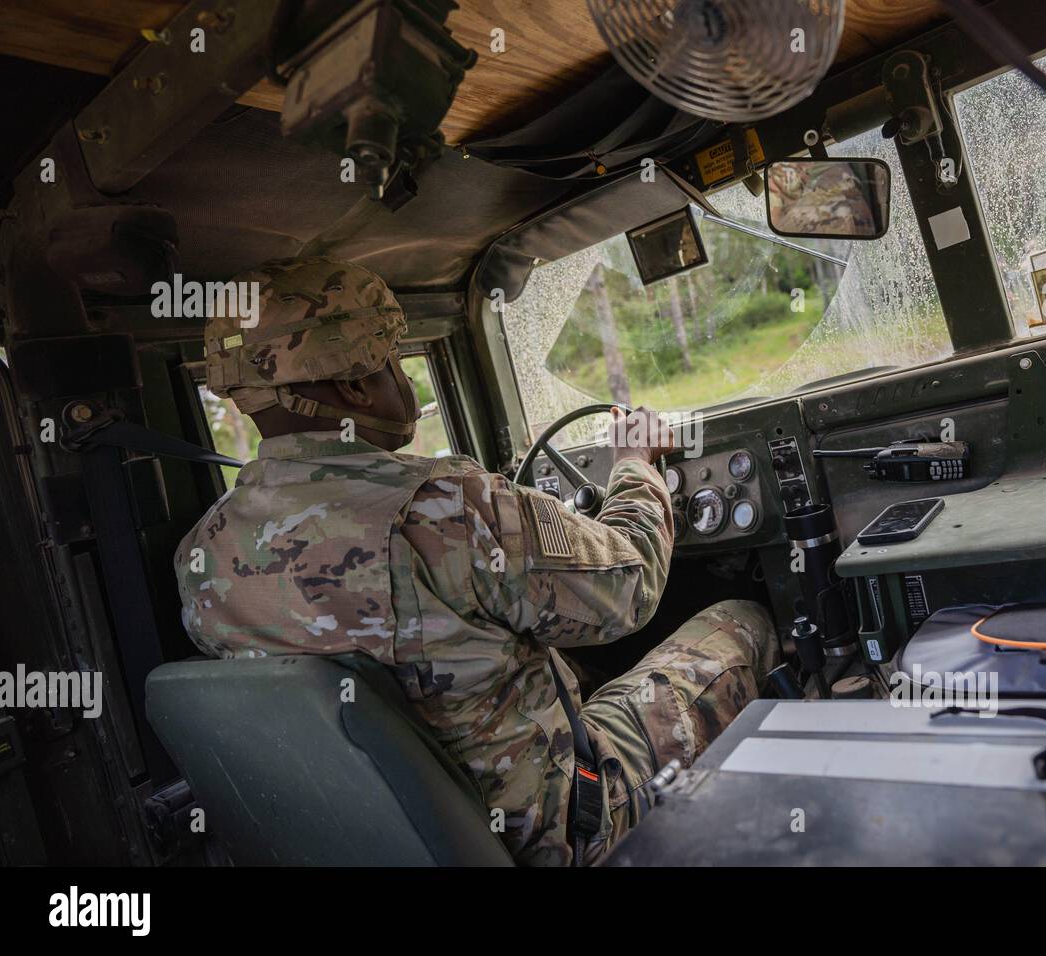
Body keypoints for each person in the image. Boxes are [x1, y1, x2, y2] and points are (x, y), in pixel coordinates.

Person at [174, 256, 778, 865]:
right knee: (742, 622)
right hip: (564, 829)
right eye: (396, 361)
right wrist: (636, 467)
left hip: (408, 841)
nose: (404, 381)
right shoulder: (447, 510)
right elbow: (631, 588)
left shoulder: (202, 553)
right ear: (357, 387)